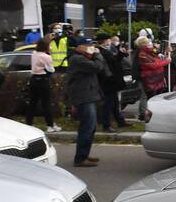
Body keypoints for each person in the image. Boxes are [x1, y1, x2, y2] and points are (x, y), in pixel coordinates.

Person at [66, 36, 109, 168]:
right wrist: (97, 55)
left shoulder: (84, 58)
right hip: (83, 97)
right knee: (87, 127)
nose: (91, 47)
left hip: (89, 96)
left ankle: (84, 154)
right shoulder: (78, 59)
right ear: (79, 47)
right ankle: (80, 158)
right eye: (87, 45)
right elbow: (97, 67)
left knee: (90, 128)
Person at [26, 38, 58, 132]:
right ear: (46, 47)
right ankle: (50, 125)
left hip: (33, 80)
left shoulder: (34, 54)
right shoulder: (46, 57)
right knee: (46, 104)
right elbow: (51, 70)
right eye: (49, 45)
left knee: (32, 103)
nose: (51, 47)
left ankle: (29, 123)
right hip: (43, 80)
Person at [98, 34, 129, 131]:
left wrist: (120, 54)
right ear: (104, 41)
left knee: (114, 103)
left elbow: (114, 61)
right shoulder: (101, 51)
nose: (110, 41)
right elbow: (106, 66)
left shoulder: (107, 50)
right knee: (108, 104)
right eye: (108, 40)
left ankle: (120, 121)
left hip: (112, 81)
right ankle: (106, 125)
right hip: (108, 81)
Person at [135, 36, 168, 116]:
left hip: (157, 78)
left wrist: (166, 52)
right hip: (150, 80)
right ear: (143, 44)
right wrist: (166, 61)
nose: (150, 43)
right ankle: (145, 114)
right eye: (147, 42)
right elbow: (153, 65)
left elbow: (159, 56)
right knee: (150, 97)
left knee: (157, 96)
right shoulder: (142, 54)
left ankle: (153, 112)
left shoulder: (152, 50)